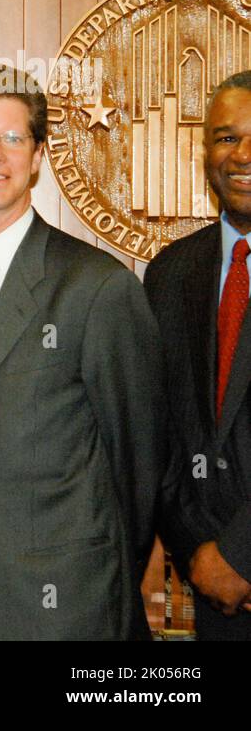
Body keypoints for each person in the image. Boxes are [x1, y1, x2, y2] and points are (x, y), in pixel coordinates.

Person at [0, 62, 165, 640]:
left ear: (38, 156)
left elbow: (138, 461)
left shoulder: (97, 285)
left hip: (62, 602)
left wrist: (106, 573)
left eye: (14, 138)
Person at [145, 70, 251, 639]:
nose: (243, 155)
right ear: (205, 149)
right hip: (213, 595)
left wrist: (238, 552)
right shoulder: (168, 274)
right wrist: (197, 553)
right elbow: (157, 430)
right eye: (227, 137)